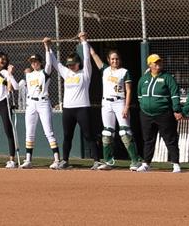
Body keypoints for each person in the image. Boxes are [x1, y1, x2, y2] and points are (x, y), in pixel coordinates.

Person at [53, 35, 97, 169]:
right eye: (69, 65)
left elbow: (87, 58)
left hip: (82, 108)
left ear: (78, 63)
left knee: (88, 135)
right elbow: (56, 64)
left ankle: (96, 161)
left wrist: (84, 41)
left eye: (73, 64)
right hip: (68, 109)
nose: (71, 66)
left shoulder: (85, 73)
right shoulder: (66, 73)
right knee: (67, 136)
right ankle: (65, 160)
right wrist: (48, 48)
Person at [136, 54, 182, 172]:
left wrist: (176, 109)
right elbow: (139, 96)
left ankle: (176, 164)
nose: (158, 64)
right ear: (150, 65)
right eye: (155, 62)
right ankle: (146, 163)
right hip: (146, 114)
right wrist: (145, 107)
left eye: (159, 62)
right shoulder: (143, 79)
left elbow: (175, 94)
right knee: (148, 140)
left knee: (170, 139)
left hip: (164, 113)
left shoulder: (167, 77)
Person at [97, 45, 138, 170]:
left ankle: (135, 161)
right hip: (106, 103)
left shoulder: (124, 72)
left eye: (117, 59)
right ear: (108, 60)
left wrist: (126, 107)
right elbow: (94, 55)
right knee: (107, 132)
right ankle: (108, 161)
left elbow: (129, 90)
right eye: (112, 59)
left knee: (125, 132)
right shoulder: (105, 70)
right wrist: (84, 41)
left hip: (119, 102)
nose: (115, 61)